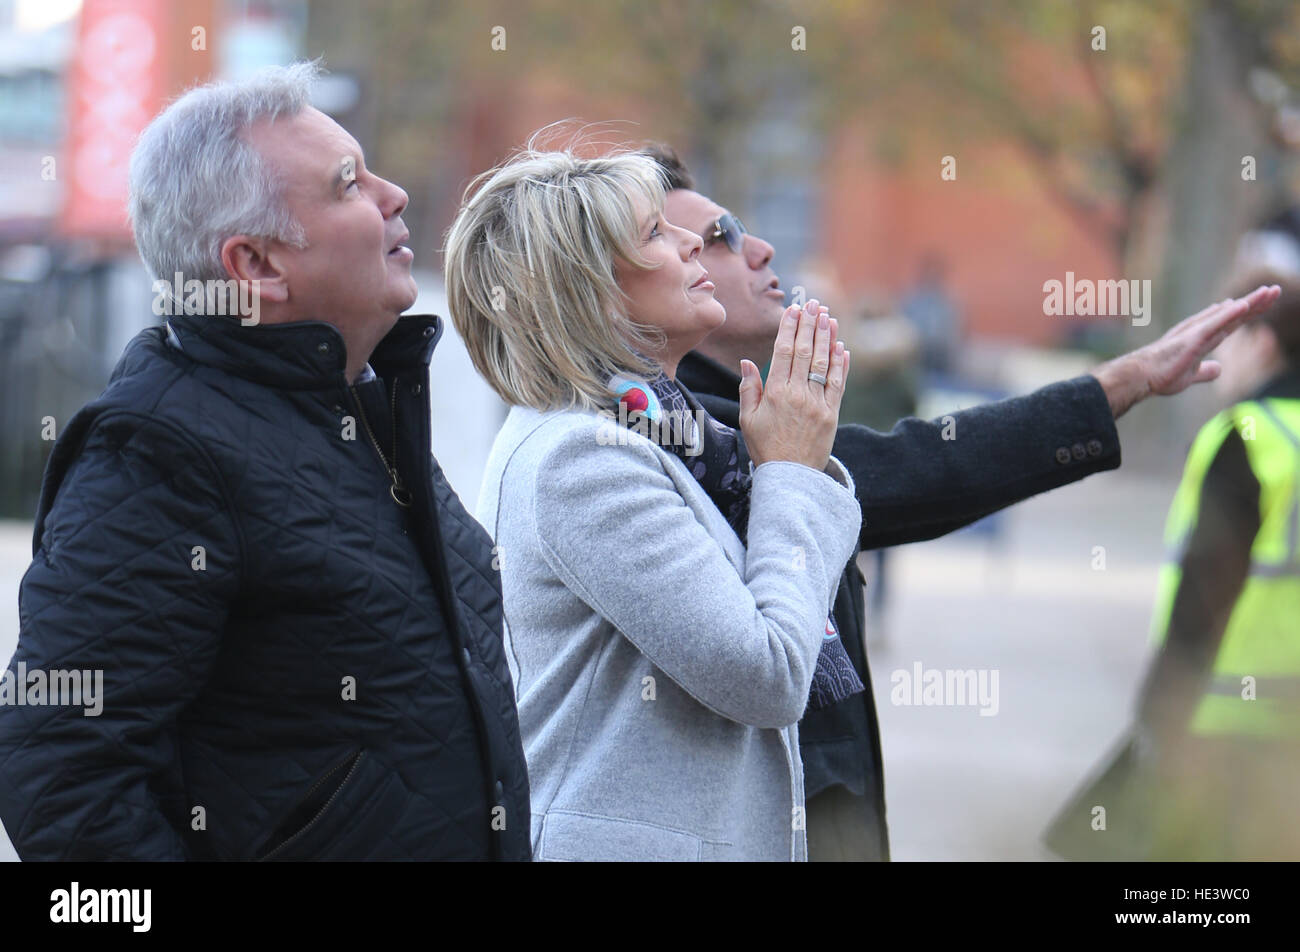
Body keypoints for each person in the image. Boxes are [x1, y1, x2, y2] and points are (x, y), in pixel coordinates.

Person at [644, 143, 1282, 861]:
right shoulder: (670, 438)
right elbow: (915, 467)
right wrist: (1118, 386)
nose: (759, 248)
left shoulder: (726, 413)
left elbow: (905, 461)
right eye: (717, 238)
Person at [0, 63, 531, 861]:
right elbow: (58, 773)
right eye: (348, 184)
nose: (394, 196)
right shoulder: (157, 448)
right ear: (256, 267)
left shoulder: (362, 405)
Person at [444, 144, 862, 861]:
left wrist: (789, 467)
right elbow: (764, 675)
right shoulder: (582, 460)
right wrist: (790, 473)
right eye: (654, 234)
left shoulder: (664, 435)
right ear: (591, 292)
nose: (692, 238)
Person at [1132, 267, 1300, 859]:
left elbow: (1206, 585)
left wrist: (1159, 706)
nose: (1217, 357)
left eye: (1227, 337)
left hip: (1224, 721)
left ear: (1264, 342)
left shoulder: (1247, 435)